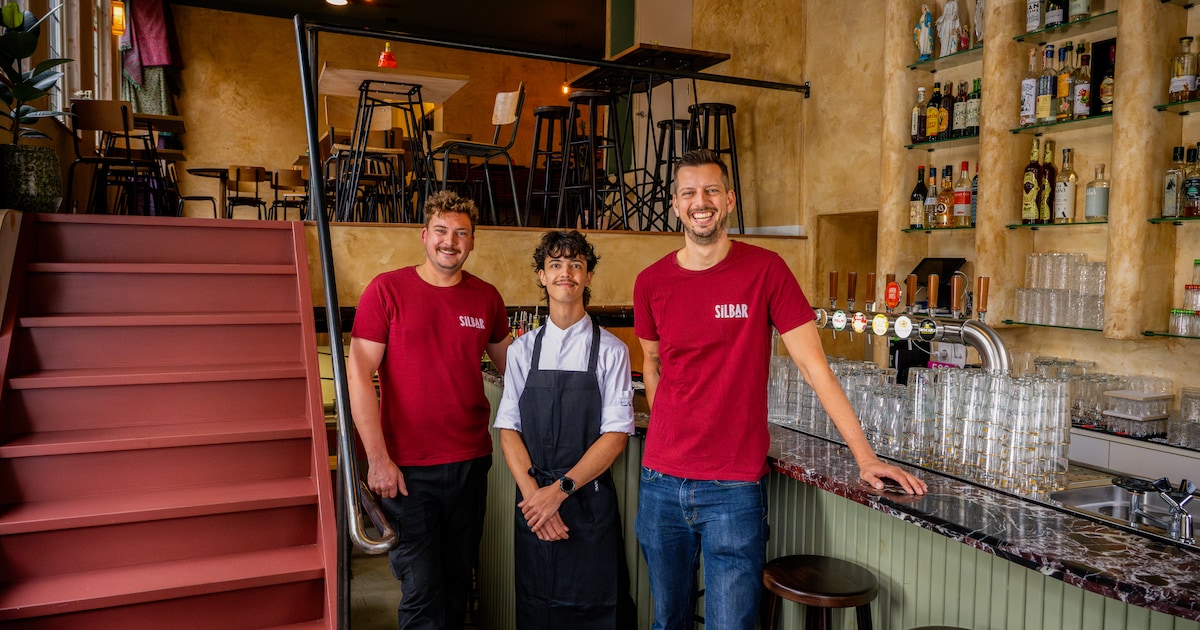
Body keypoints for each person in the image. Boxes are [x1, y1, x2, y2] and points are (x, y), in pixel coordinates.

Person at [633, 149, 927, 630]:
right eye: (688, 193)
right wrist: (670, 421)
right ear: (675, 204)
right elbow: (650, 360)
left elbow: (815, 369)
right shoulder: (651, 282)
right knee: (668, 622)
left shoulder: (766, 271)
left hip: (733, 488)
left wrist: (865, 456)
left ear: (728, 201)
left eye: (710, 191)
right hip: (660, 482)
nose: (699, 201)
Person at [348, 190, 512, 630]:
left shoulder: (486, 298)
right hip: (407, 472)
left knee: (458, 585)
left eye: (461, 234)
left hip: (470, 464)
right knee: (422, 593)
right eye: (441, 231)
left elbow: (516, 372)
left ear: (472, 242)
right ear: (424, 236)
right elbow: (359, 374)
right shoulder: (387, 290)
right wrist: (378, 459)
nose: (450, 242)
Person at [494, 230, 637, 629]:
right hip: (534, 503)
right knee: (537, 609)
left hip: (587, 504)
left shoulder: (612, 351)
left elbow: (615, 436)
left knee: (596, 611)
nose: (566, 273)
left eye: (576, 264)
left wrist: (558, 494)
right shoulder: (523, 350)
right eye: (555, 264)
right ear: (542, 276)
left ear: (588, 276)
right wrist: (535, 502)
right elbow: (508, 428)